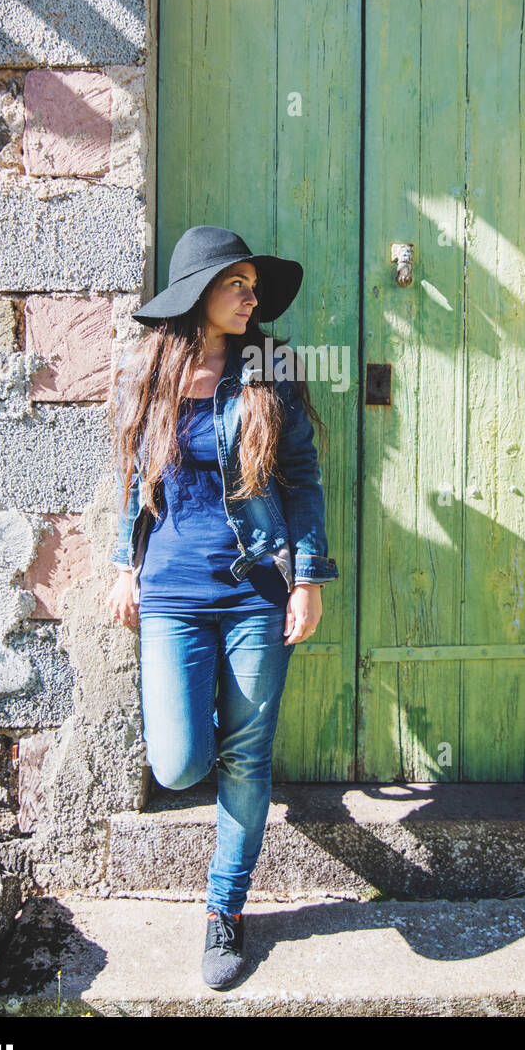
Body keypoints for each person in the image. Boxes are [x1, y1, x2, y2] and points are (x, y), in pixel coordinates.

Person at [106, 226, 339, 990]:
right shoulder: (148, 369)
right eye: (235, 283)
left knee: (247, 755)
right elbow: (128, 472)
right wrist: (122, 564)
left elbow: (300, 480)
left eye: (252, 284)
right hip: (170, 589)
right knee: (177, 765)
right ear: (197, 294)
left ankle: (224, 912)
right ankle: (205, 707)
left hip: (255, 589)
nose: (251, 296)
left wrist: (306, 578)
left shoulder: (271, 368)